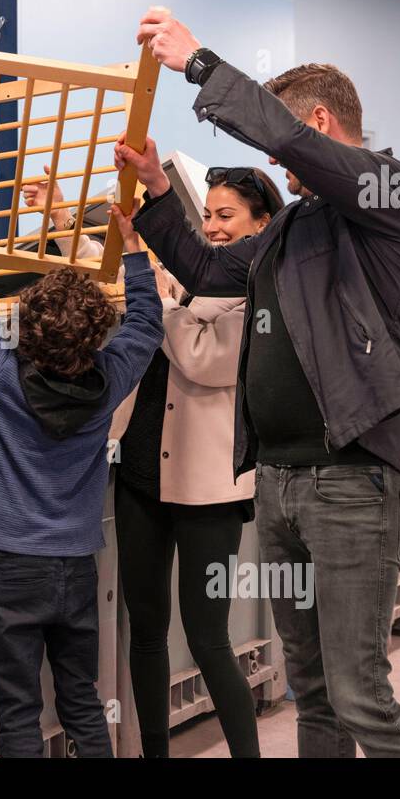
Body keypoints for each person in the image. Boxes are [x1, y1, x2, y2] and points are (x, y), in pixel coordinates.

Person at [116, 7, 400, 758]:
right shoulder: (293, 228)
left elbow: (289, 142)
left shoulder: (396, 194)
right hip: (282, 480)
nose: (282, 167)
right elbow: (204, 271)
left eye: (290, 143)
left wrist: (200, 65)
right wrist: (161, 192)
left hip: (352, 480)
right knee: (313, 692)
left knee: (362, 695)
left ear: (323, 120)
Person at [0, 147, 163, 758]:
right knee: (82, 697)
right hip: (75, 563)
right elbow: (146, 323)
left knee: (18, 706)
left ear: (24, 328)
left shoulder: (2, 375)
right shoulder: (110, 380)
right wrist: (132, 245)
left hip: (11, 565)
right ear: (96, 334)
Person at [110, 166, 284, 759]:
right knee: (146, 629)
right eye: (206, 214)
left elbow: (205, 361)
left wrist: (159, 305)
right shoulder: (191, 283)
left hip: (209, 489)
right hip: (139, 475)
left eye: (226, 215)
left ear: (262, 226)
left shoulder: (261, 292)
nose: (212, 227)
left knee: (208, 638)